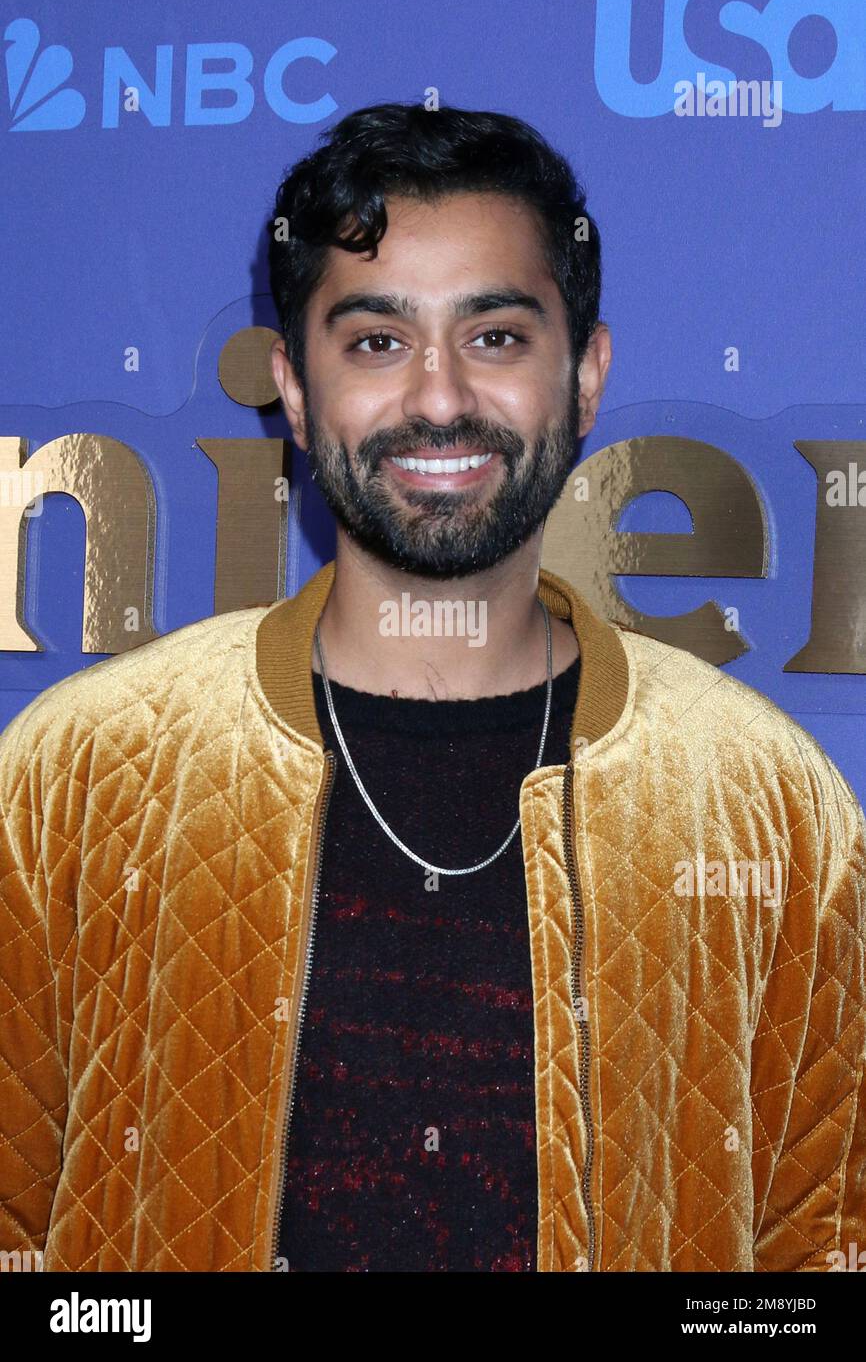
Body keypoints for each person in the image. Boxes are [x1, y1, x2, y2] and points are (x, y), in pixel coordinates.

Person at [0, 102, 864, 1274]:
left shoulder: (765, 803)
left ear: (586, 375)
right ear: (292, 391)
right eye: (374, 341)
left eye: (496, 336)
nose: (440, 398)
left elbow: (819, 1251)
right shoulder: (75, 776)